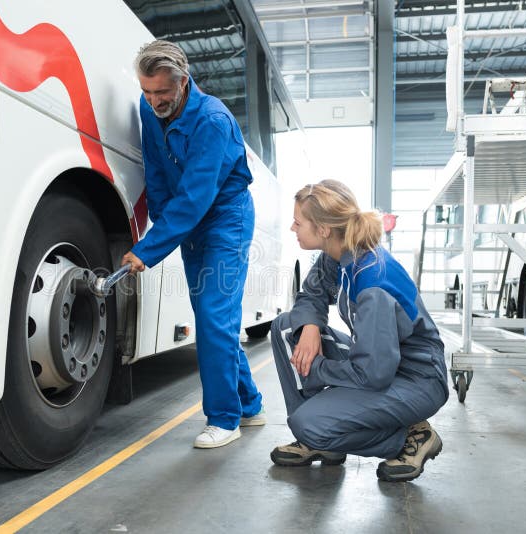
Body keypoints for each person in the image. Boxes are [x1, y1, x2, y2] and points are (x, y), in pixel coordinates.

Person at [121, 40, 264, 449]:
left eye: (162, 92)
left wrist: (150, 248)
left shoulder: (213, 121)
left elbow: (198, 196)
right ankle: (250, 405)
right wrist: (166, 225)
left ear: (183, 82)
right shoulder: (149, 108)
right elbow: (158, 173)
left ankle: (224, 418)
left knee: (215, 317)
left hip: (225, 218)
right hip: (190, 219)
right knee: (210, 315)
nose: (154, 100)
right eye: (147, 92)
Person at [269, 179, 449, 482]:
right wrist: (311, 326)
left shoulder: (373, 281)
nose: (292, 228)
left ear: (324, 229)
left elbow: (373, 373)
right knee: (288, 327)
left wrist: (317, 368)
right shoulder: (338, 254)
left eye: (298, 223)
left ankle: (409, 438)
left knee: (308, 423)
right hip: (384, 360)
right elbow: (311, 293)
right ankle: (321, 444)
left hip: (417, 378)